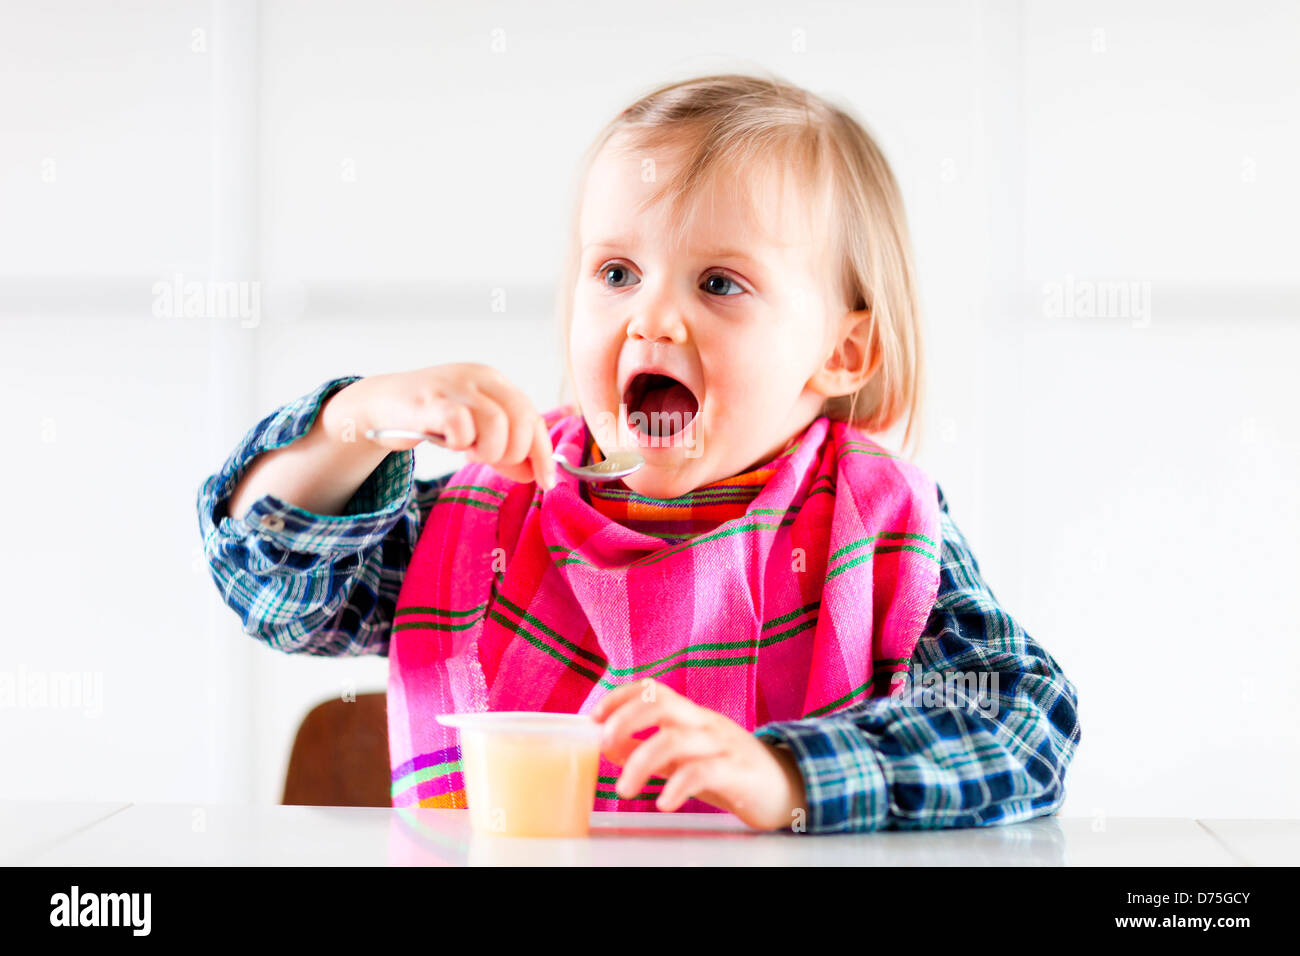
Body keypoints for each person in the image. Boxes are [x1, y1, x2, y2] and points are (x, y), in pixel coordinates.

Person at [197, 72, 1080, 833]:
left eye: (720, 283)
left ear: (841, 352)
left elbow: (1024, 726)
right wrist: (356, 419)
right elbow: (278, 586)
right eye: (617, 273)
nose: (652, 318)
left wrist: (788, 778)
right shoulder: (496, 512)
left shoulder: (871, 525)